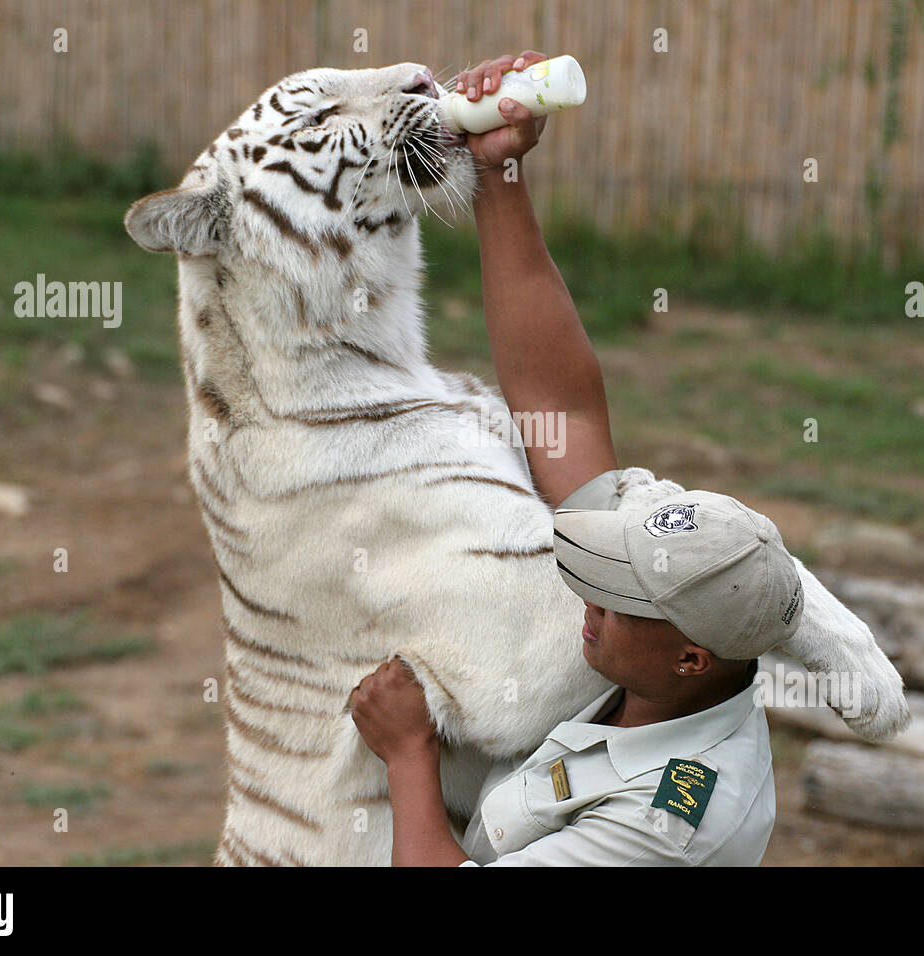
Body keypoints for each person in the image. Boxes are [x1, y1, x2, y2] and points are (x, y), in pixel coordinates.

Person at [349, 51, 803, 867]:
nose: (586, 593)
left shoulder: (674, 820)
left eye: (618, 595)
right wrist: (501, 177)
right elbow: (563, 412)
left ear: (691, 655)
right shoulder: (663, 670)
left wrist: (408, 755)